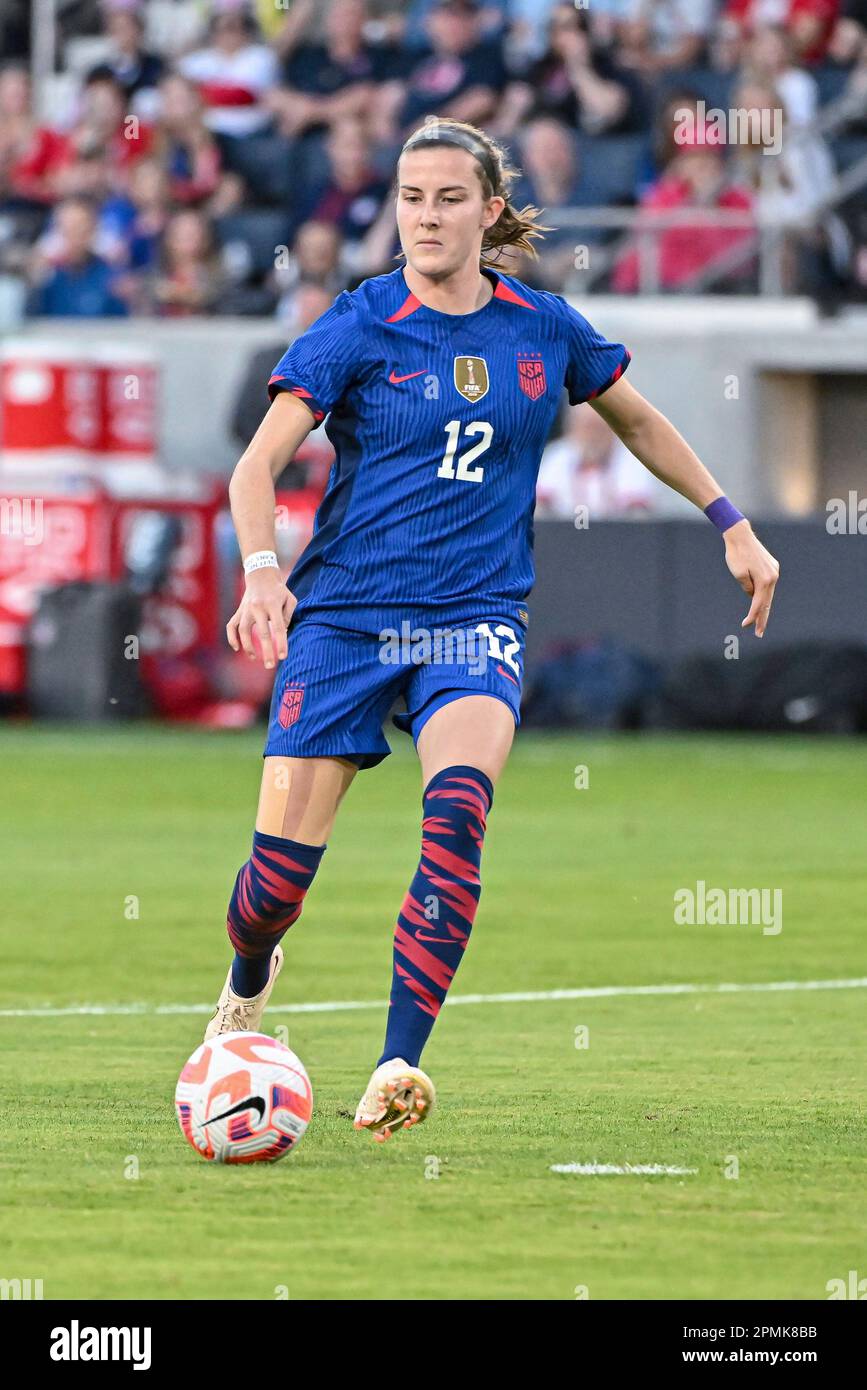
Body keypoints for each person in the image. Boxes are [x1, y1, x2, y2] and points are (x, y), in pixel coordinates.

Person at [207, 116, 779, 1141]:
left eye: (448, 198)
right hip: (343, 620)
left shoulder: (543, 326)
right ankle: (249, 979)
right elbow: (257, 466)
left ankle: (398, 1062)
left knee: (459, 812)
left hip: (474, 621)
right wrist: (260, 575)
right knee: (272, 890)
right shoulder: (355, 324)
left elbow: (638, 420)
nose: (427, 216)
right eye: (411, 198)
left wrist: (729, 519)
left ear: (487, 211)